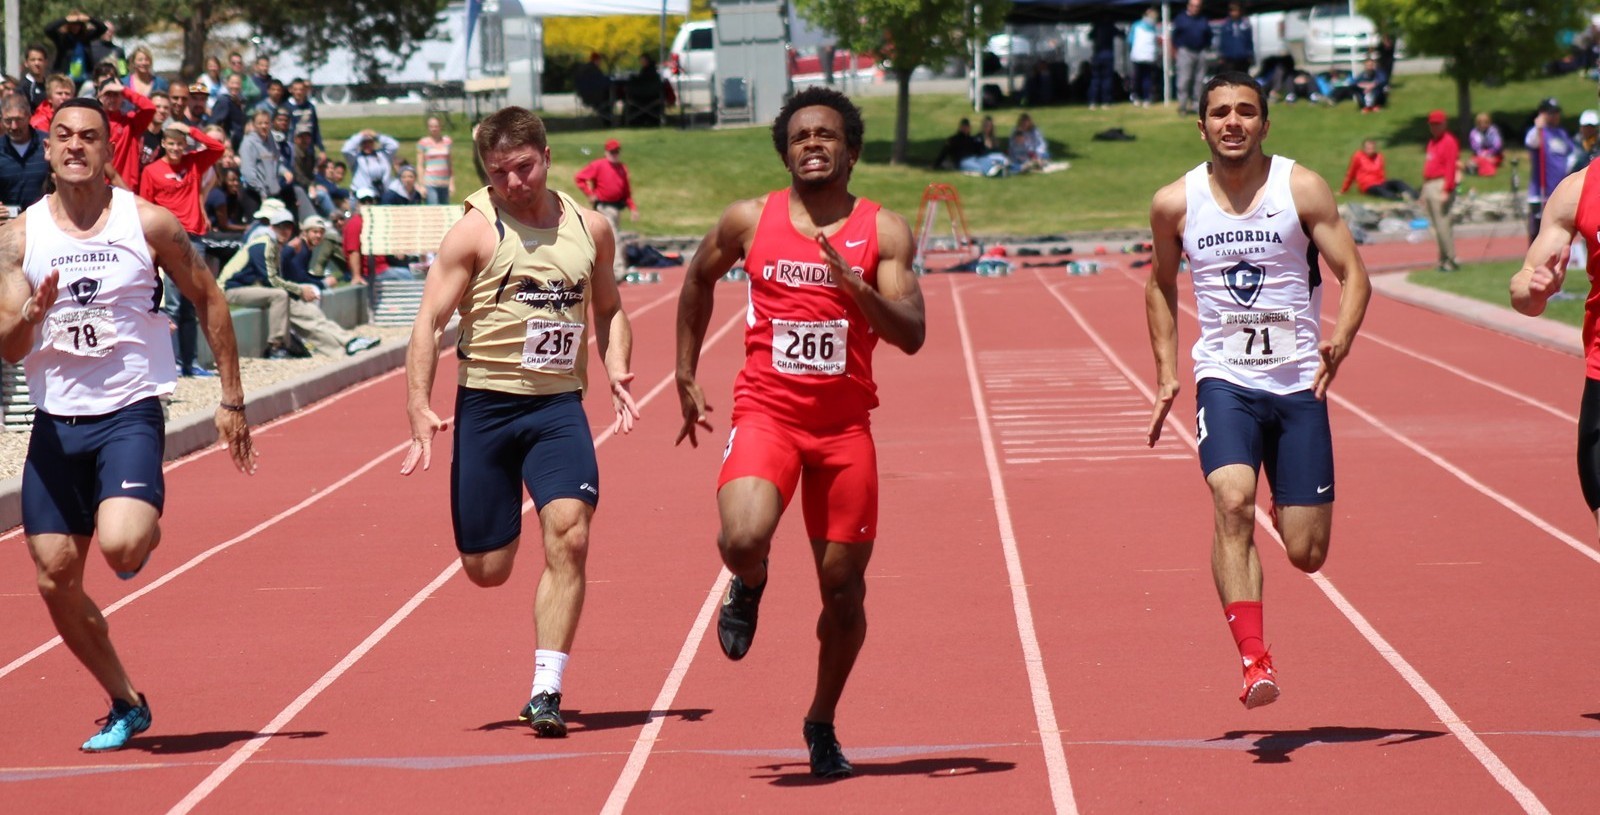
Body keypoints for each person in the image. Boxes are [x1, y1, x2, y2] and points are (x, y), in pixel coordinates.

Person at [673, 86, 925, 778]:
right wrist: (685, 372)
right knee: (742, 537)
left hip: (845, 431)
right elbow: (697, 279)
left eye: (827, 135)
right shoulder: (749, 220)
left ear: (851, 150)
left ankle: (821, 721)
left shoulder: (886, 230)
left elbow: (914, 334)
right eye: (800, 136)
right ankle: (749, 580)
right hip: (768, 414)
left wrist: (860, 291)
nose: (812, 144)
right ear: (786, 151)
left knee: (843, 594)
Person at [0, 97, 257, 751]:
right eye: (63, 136)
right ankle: (126, 698)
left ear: (109, 147)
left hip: (128, 412)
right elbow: (8, 345)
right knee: (54, 576)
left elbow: (209, 295)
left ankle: (135, 521)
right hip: (57, 423)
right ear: (50, 148)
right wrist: (31, 312)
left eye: (90, 135)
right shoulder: (19, 237)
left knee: (120, 547)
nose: (76, 145)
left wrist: (231, 397)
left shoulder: (148, 223)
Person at [401, 106, 639, 740]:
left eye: (523, 167)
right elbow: (427, 322)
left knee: (570, 533)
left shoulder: (592, 228)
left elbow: (611, 309)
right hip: (486, 406)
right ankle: (492, 537)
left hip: (558, 407)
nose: (512, 182)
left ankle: (546, 689)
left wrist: (616, 365)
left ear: (548, 156)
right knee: (488, 569)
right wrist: (418, 401)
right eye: (498, 171)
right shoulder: (474, 234)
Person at [1144, 72, 1371, 710]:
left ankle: (1283, 508)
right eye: (1220, 113)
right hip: (1226, 380)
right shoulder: (1175, 203)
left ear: (1265, 123)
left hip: (1298, 383)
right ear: (1203, 126)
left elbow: (1354, 274)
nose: (1233, 122)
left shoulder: (1299, 188)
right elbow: (1158, 284)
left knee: (1306, 553)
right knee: (1231, 499)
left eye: (1247, 111)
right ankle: (1254, 660)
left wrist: (1342, 339)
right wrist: (1167, 370)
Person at [574, 138, 638, 282]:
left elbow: (626, 192)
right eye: (612, 152)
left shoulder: (622, 168)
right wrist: (590, 194)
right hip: (604, 207)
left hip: (616, 208)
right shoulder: (598, 165)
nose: (614, 154)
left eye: (616, 152)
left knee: (606, 239)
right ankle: (618, 272)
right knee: (615, 238)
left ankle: (606, 270)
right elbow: (580, 178)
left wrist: (633, 208)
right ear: (606, 152)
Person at [1526, 97, 1578, 243]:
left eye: (1556, 112)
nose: (1554, 116)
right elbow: (1531, 142)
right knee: (1537, 232)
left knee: (1557, 230)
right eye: (1551, 113)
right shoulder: (1539, 133)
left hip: (1559, 190)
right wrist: (1538, 127)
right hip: (1540, 192)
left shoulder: (1561, 134)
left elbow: (1572, 154)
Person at [1422, 109, 1461, 272]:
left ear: (1444, 124)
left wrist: (1447, 188)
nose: (1434, 127)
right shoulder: (1432, 142)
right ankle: (1443, 258)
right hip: (1429, 184)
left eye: (1437, 124)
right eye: (1432, 124)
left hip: (1440, 184)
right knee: (1434, 226)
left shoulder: (1449, 141)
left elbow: (1451, 166)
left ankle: (1450, 258)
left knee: (1443, 224)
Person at [0, 93, 49, 219]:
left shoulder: (47, 144)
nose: (13, 126)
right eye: (8, 121)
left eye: (18, 120)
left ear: (29, 117)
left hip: (43, 221)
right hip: (8, 224)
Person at [1337, 139, 1416, 201]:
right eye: (1368, 148)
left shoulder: (1379, 156)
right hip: (1367, 186)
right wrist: (1343, 190)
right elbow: (1351, 174)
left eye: (1372, 148)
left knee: (1397, 182)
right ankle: (1397, 198)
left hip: (1380, 182)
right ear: (1364, 148)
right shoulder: (1358, 156)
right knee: (1378, 190)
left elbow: (1382, 173)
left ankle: (1415, 195)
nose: (1371, 150)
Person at [1171, 0, 1212, 116]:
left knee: (1199, 80)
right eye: (1193, 6)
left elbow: (1209, 35)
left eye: (1198, 6)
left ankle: (1197, 106)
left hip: (1201, 52)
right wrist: (1176, 51)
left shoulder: (1203, 19)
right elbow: (1174, 37)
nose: (1195, 8)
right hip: (1185, 51)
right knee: (1184, 80)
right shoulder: (1180, 18)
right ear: (1188, 6)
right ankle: (1182, 107)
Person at [44, 12, 106, 86]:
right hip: (66, 78)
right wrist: (65, 19)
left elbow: (103, 28)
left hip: (84, 78)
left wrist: (90, 19)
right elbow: (48, 29)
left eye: (78, 24)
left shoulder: (86, 37)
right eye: (73, 24)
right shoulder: (62, 38)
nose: (75, 27)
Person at [416, 116, 454, 204]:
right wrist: (421, 185)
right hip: (430, 182)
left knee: (445, 209)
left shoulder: (447, 142)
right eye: (431, 126)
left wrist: (451, 183)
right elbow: (420, 165)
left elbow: (450, 164)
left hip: (444, 182)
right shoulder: (423, 143)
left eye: (436, 126)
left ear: (440, 127)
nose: (434, 129)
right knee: (434, 209)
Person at [1128, 7, 1161, 108]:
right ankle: (1145, 98)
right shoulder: (1153, 28)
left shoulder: (1136, 25)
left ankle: (1137, 97)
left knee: (1138, 78)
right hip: (1148, 57)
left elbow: (1130, 40)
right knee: (1146, 78)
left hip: (1139, 57)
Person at [1217, 2, 1255, 75]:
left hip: (1243, 58)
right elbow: (1222, 41)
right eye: (1232, 10)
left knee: (1242, 78)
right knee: (1230, 78)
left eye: (1236, 10)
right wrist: (1221, 55)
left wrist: (1250, 54)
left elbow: (1249, 40)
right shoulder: (1226, 25)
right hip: (1229, 58)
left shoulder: (1245, 24)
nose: (1234, 13)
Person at [1465, 112, 1504, 177]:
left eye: (1485, 123)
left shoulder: (1494, 131)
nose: (1483, 125)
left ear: (1489, 123)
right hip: (1479, 154)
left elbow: (1497, 145)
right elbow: (1475, 147)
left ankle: (1478, 167)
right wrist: (1483, 154)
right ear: (1477, 123)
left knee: (1487, 160)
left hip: (1494, 154)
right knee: (1478, 159)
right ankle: (1476, 166)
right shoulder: (1473, 133)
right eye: (1480, 123)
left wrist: (1488, 153)